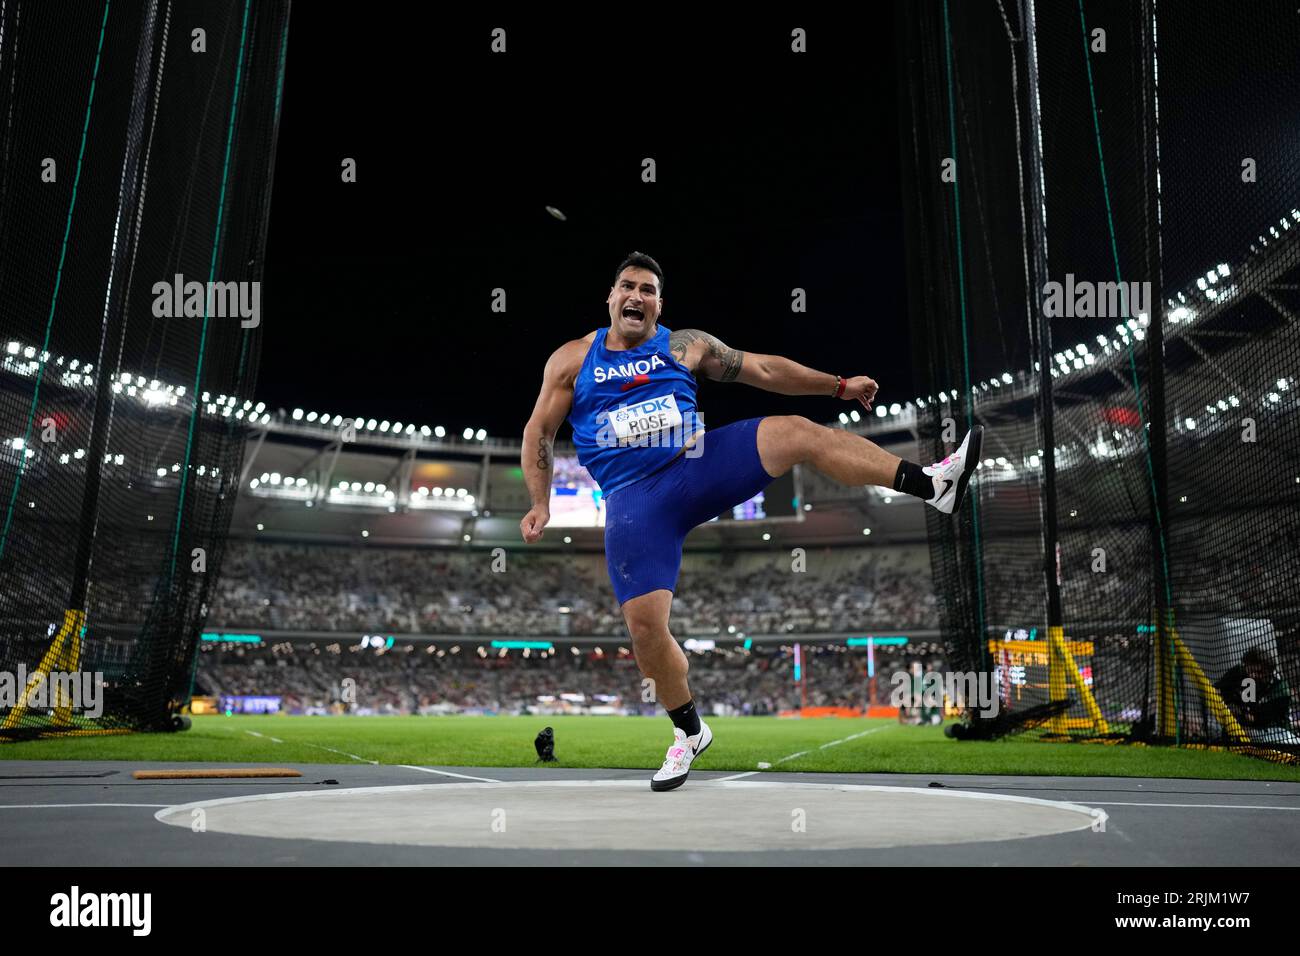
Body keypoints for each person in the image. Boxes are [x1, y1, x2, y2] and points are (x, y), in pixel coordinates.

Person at [520, 252, 982, 790]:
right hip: (633, 500)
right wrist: (541, 502)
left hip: (696, 465)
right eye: (628, 286)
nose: (636, 297)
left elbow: (763, 369)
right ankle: (689, 732)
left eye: (648, 290)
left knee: (798, 432)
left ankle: (932, 485)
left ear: (659, 304)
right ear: (610, 296)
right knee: (646, 631)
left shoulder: (685, 344)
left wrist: (837, 386)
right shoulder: (574, 360)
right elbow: (539, 433)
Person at [1214, 646, 1298, 745]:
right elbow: (1216, 690)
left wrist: (1238, 710)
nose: (1253, 676)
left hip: (1275, 732)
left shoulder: (1280, 689)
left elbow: (1255, 718)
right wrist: (1228, 703)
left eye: (1259, 672)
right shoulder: (1239, 672)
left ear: (1269, 671)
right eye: (1250, 671)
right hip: (1243, 725)